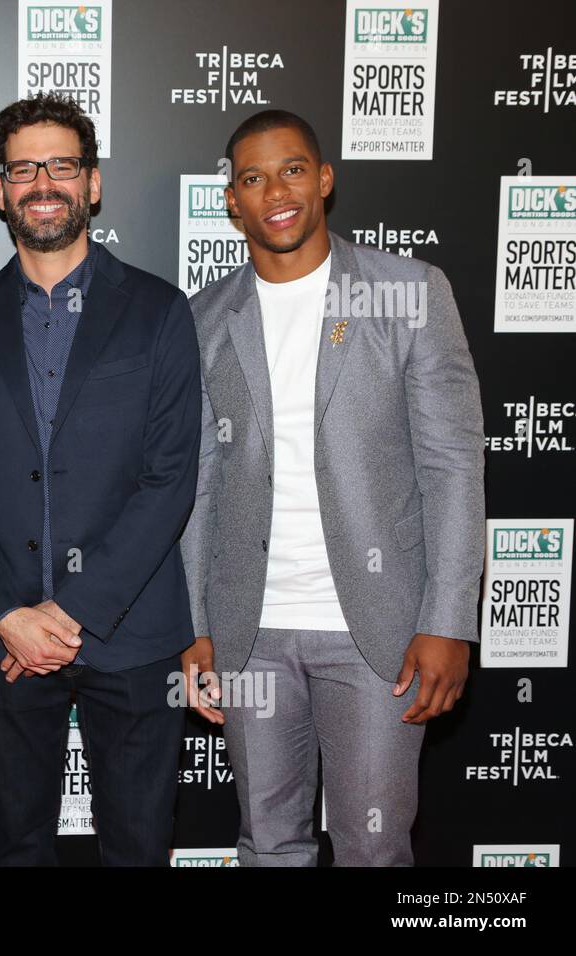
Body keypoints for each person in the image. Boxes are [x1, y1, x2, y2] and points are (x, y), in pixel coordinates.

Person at [179, 109, 485, 866]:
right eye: (252, 178)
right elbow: (199, 485)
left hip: (379, 634)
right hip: (250, 632)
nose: (274, 190)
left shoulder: (409, 291)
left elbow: (452, 465)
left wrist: (450, 619)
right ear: (232, 202)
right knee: (267, 844)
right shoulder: (204, 317)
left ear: (323, 179)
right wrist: (196, 627)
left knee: (374, 848)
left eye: (290, 169)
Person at [0, 93, 201, 865]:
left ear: (94, 183)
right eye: (23, 168)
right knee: (16, 845)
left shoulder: (159, 311)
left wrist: (69, 611)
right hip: (7, 639)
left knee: (140, 847)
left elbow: (170, 478)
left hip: (132, 633)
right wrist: (4, 612)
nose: (43, 181)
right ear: (1, 190)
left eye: (62, 165)